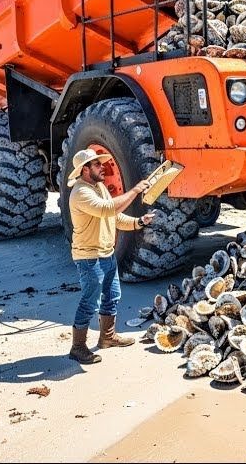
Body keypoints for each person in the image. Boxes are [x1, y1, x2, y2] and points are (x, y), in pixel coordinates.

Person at [65, 147, 155, 364]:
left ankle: (107, 337)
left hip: (106, 254)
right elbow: (107, 209)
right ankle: (77, 347)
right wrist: (135, 191)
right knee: (90, 301)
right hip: (89, 257)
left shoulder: (99, 188)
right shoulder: (81, 192)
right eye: (97, 164)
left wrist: (138, 222)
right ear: (85, 169)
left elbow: (113, 216)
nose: (102, 166)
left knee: (112, 296)